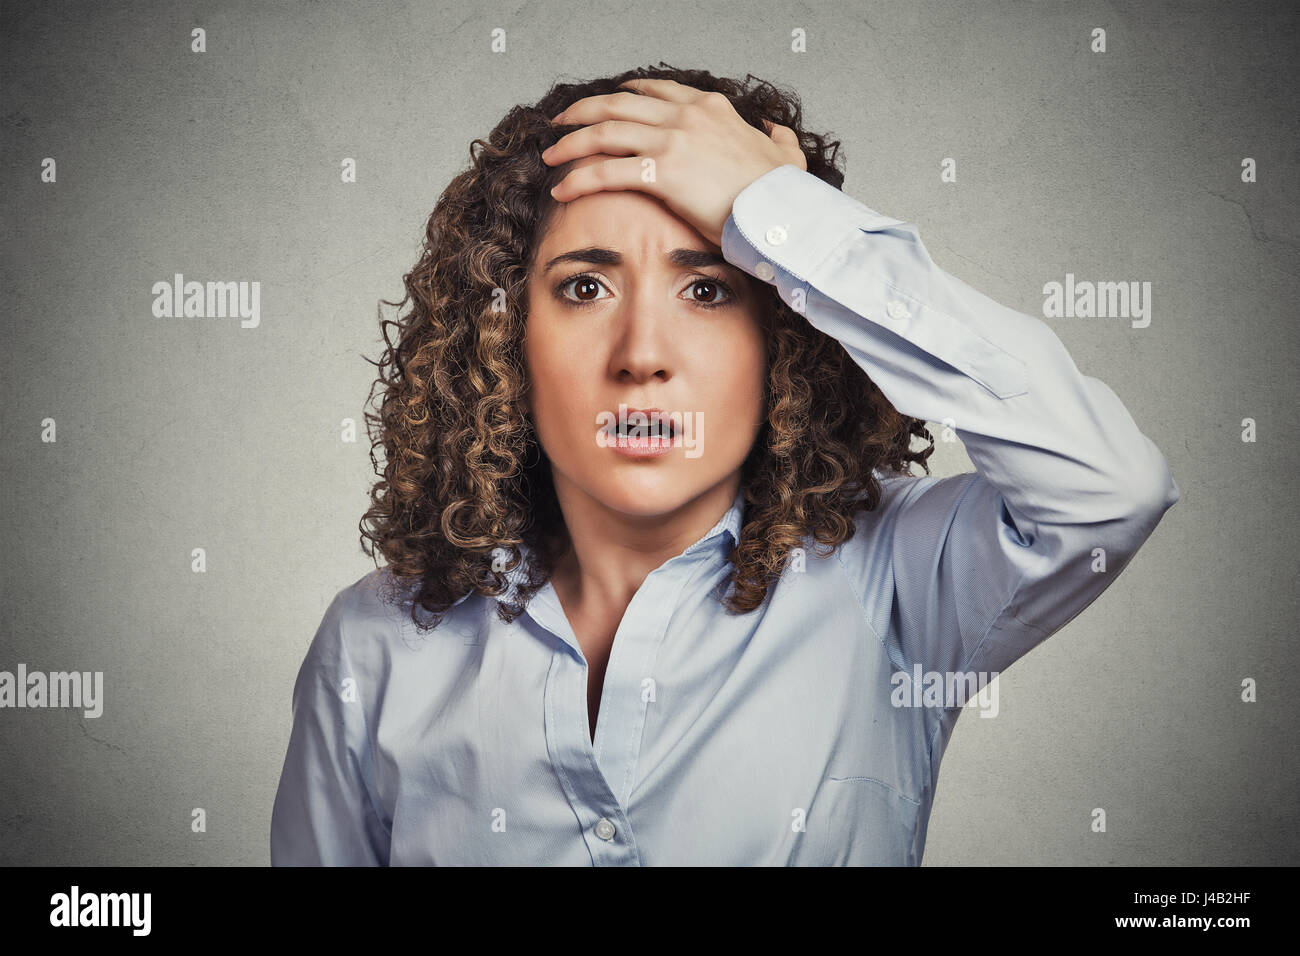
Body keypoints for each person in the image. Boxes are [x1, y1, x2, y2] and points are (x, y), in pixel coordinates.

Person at [270, 64, 1180, 866]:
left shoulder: (896, 577)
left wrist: (788, 219)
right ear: (503, 340)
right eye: (584, 287)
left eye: (707, 289)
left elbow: (1107, 490)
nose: (642, 353)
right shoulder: (375, 643)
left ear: (784, 337)